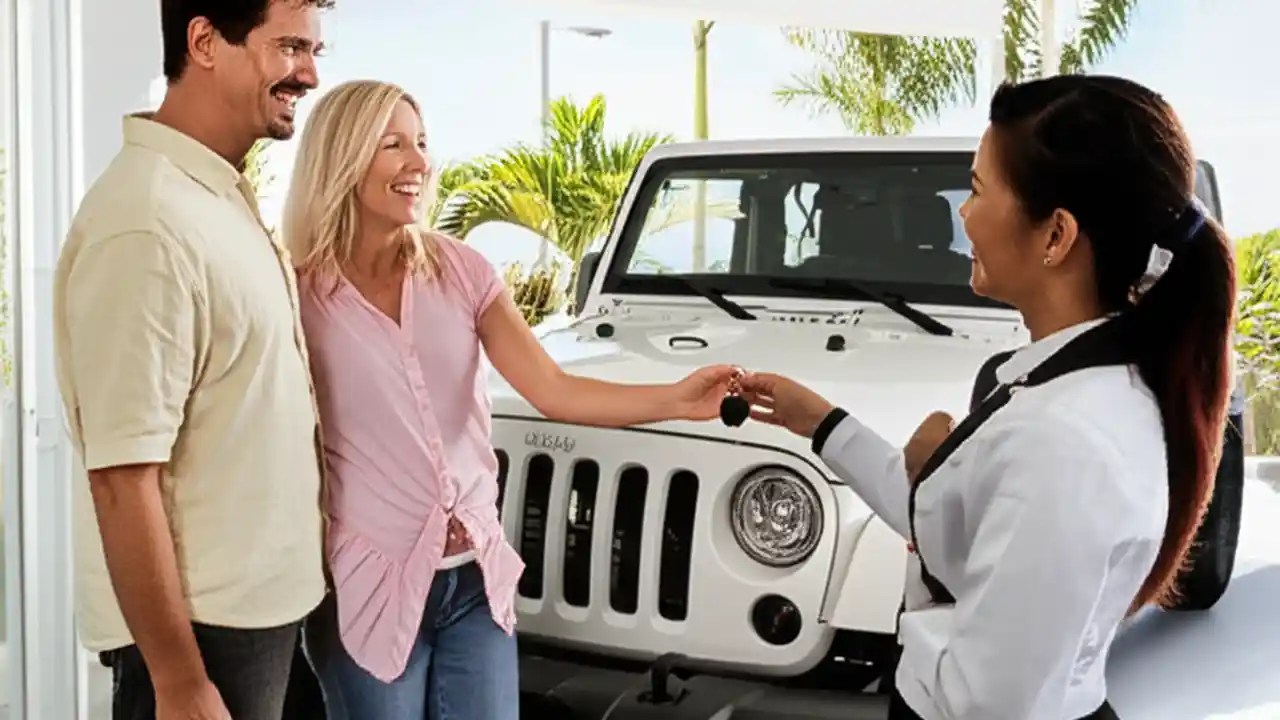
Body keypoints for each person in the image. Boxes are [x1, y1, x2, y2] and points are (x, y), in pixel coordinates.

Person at [737, 74, 1235, 720]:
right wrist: (821, 422)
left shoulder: (1063, 445)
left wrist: (920, 628)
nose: (963, 215)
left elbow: (987, 702)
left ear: (1056, 236)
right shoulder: (1070, 387)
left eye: (975, 190)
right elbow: (951, 528)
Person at [280, 78, 738, 719]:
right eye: (393, 145)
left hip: (474, 581)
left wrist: (678, 399)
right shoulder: (297, 295)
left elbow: (553, 389)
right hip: (367, 586)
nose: (418, 163)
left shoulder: (463, 271)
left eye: (421, 143)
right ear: (342, 157)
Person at [52, 1, 334, 718]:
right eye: (290, 47)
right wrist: (179, 680)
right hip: (205, 640)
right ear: (205, 41)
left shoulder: (215, 195)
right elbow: (121, 477)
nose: (308, 73)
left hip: (265, 617)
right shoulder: (145, 224)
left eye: (314, 50)